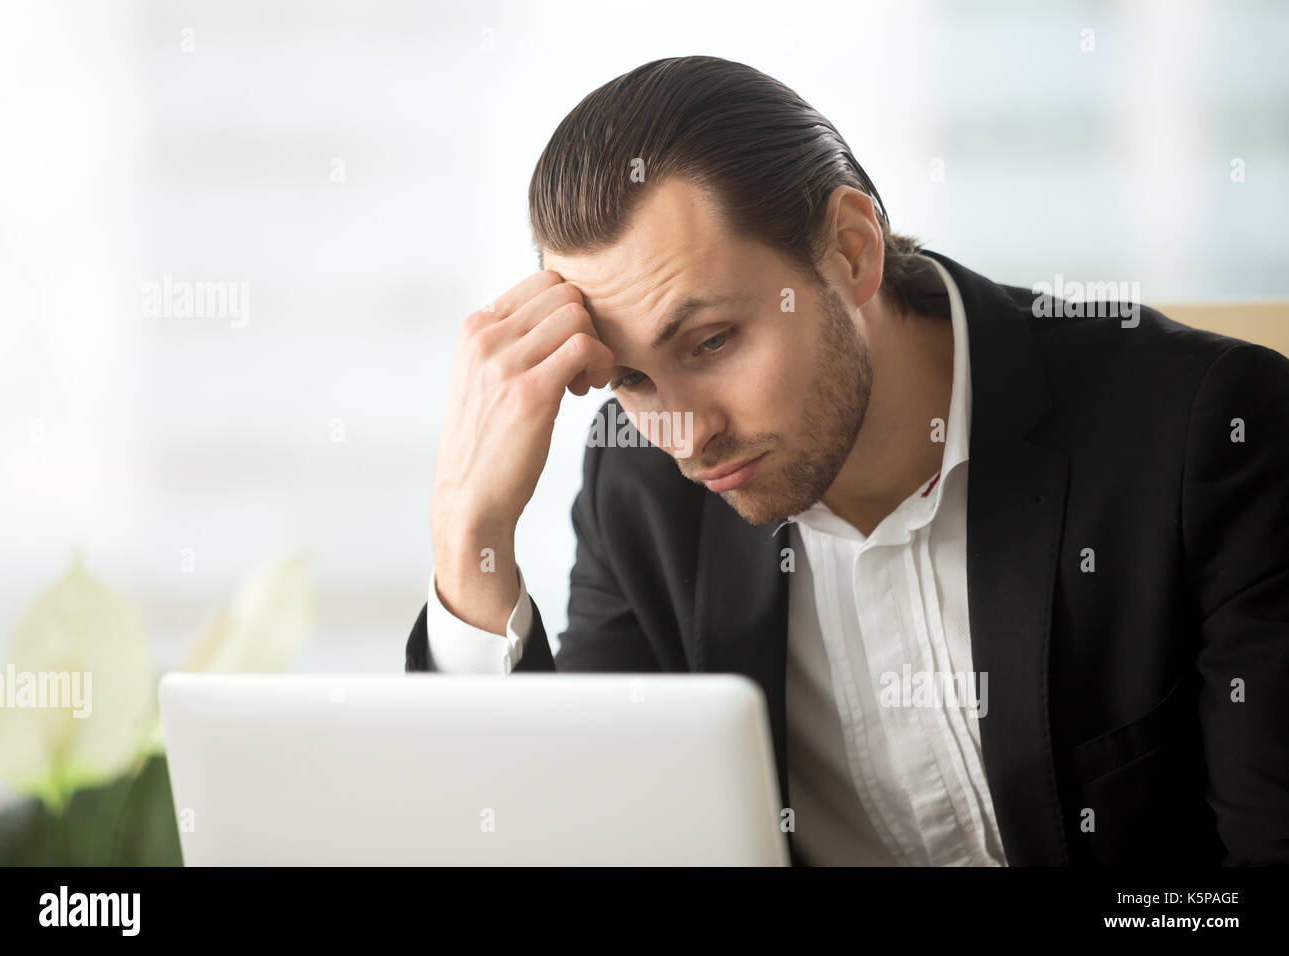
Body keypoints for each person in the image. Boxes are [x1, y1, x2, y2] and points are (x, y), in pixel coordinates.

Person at [406, 55, 1289, 866]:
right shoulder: (639, 492)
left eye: (711, 341)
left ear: (852, 251)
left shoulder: (1208, 434)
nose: (683, 434)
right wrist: (468, 537)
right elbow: (579, 845)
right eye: (632, 377)